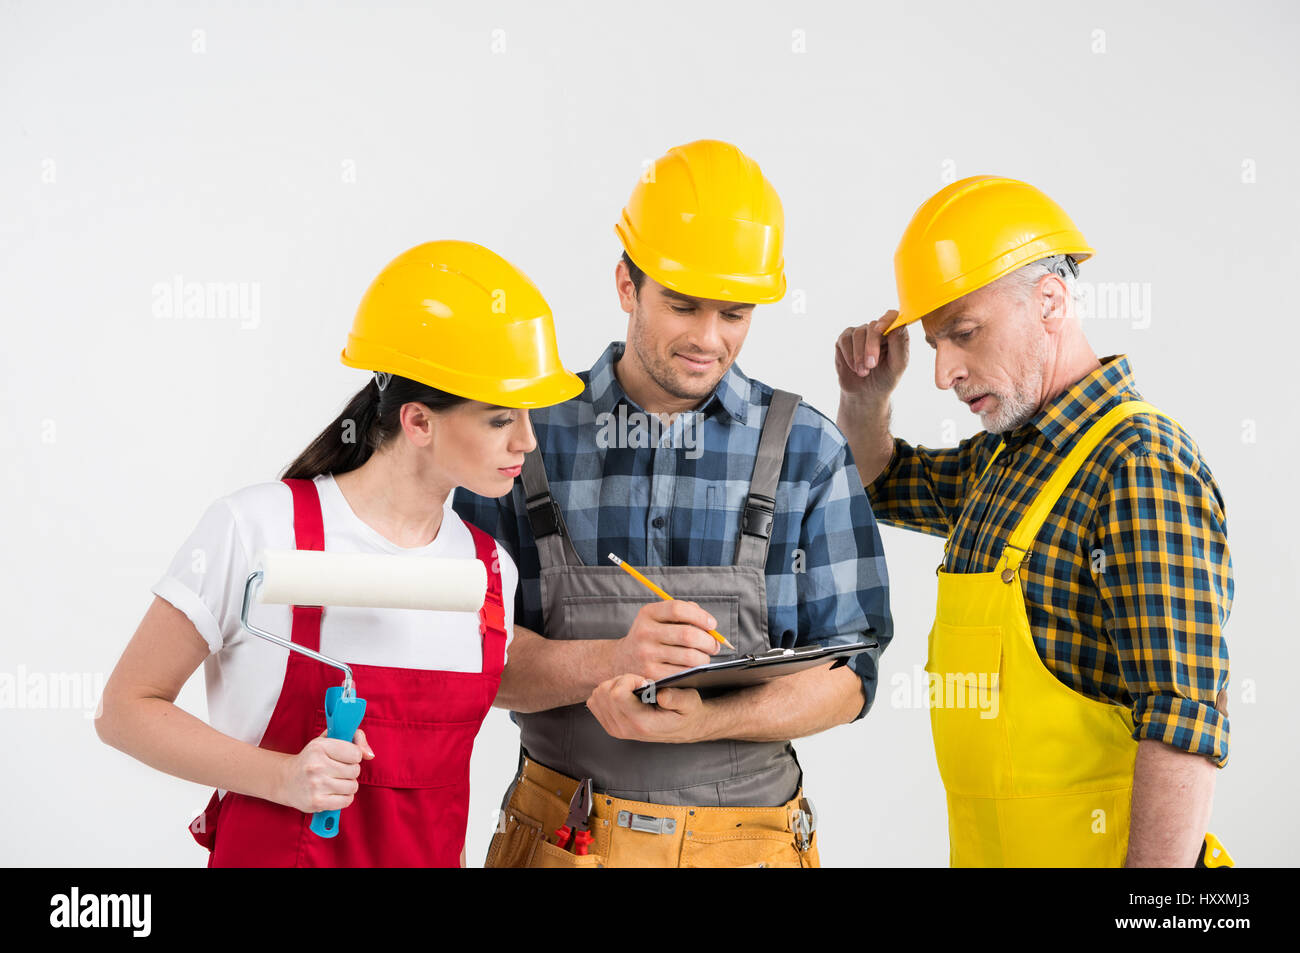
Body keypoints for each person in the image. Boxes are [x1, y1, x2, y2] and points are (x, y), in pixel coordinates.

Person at [454, 140, 893, 868]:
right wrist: (610, 659)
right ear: (626, 284)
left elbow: (852, 675)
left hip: (748, 847)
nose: (707, 339)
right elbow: (464, 653)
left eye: (734, 313)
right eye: (683, 305)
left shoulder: (807, 451)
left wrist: (702, 722)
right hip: (563, 840)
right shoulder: (525, 438)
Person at [95, 240, 583, 867]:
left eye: (528, 416)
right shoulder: (259, 529)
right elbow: (124, 710)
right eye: (499, 419)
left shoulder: (486, 570)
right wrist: (282, 778)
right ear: (418, 422)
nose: (527, 441)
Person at [835, 175, 1233, 867]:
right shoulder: (1006, 458)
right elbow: (878, 484)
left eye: (964, 333)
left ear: (1050, 301)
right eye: (935, 343)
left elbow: (1182, 724)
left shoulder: (1138, 465)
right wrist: (865, 400)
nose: (943, 373)